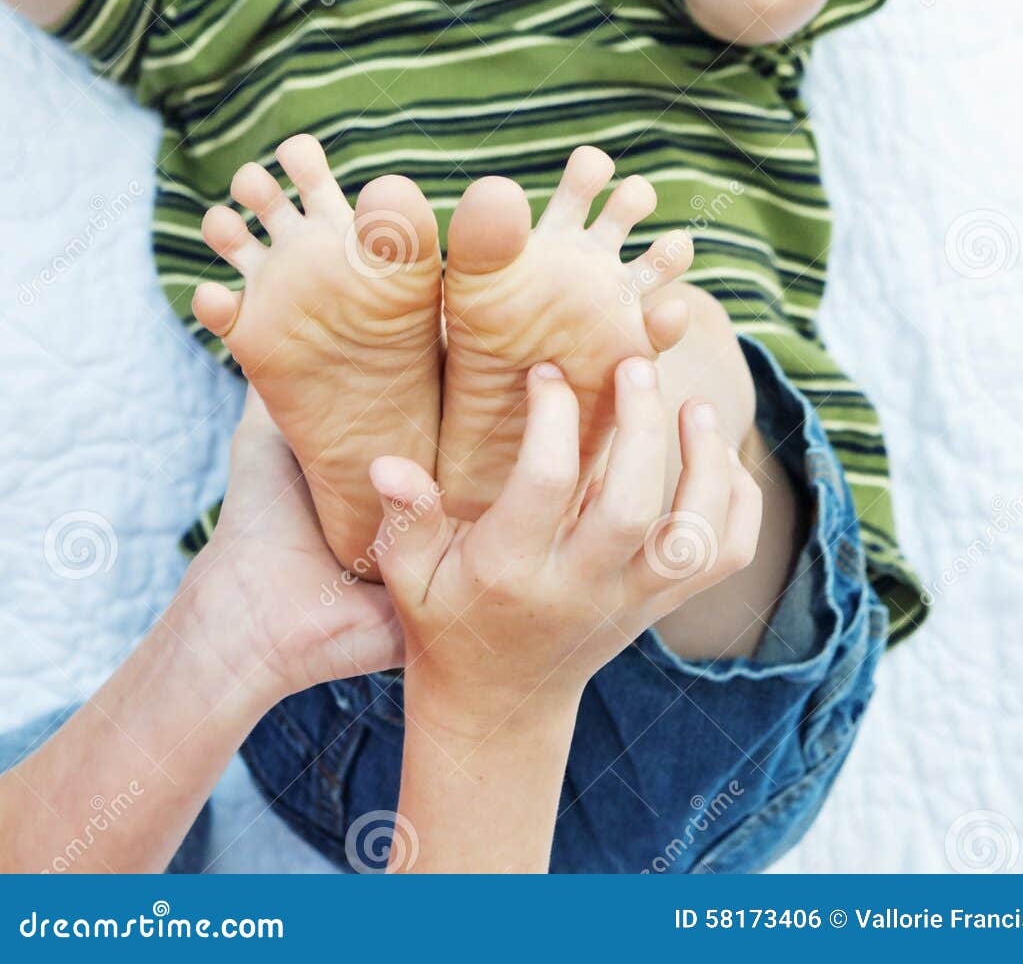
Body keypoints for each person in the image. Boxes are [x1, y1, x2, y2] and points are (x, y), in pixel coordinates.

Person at [0, 0, 920, 870]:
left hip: (695, 632)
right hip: (355, 675)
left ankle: (522, 435)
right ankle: (409, 490)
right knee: (589, 350)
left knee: (678, 346)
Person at [0, 355, 758, 875]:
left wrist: (234, 640)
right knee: (697, 398)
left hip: (304, 722)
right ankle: (594, 448)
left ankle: (497, 466)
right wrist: (494, 706)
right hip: (640, 825)